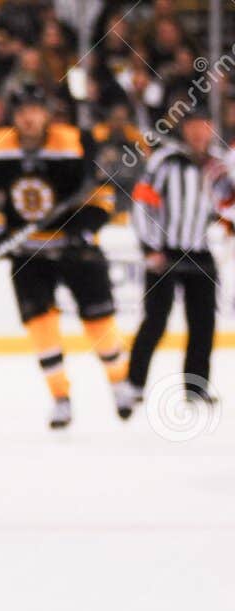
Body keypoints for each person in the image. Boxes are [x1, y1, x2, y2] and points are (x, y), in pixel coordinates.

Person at [0, 83, 124, 429]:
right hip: (27, 252)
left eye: (35, 110)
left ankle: (119, 383)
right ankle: (60, 398)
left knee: (98, 320)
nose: (29, 118)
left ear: (47, 113)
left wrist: (85, 230)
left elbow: (103, 195)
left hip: (75, 248)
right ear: (13, 116)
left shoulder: (75, 142)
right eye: (21, 112)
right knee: (41, 324)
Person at [120, 104, 231, 416]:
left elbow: (225, 206)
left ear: (211, 128)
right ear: (184, 130)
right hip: (164, 250)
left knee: (203, 324)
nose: (198, 132)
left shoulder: (218, 166)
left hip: (199, 251)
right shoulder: (165, 161)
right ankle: (134, 384)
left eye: (204, 125)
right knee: (155, 320)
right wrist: (148, 248)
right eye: (193, 125)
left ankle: (196, 388)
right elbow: (142, 203)